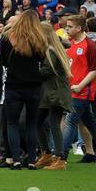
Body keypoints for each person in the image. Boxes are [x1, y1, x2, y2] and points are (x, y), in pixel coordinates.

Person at [0, 10, 48, 169]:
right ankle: (31, 160)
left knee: (12, 124)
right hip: (34, 86)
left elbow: (3, 63)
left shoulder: (8, 38)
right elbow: (42, 60)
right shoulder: (39, 40)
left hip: (14, 85)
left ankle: (15, 159)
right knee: (31, 124)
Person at [60, 14, 96, 164]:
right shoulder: (71, 44)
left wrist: (80, 85)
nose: (66, 29)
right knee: (91, 123)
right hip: (72, 90)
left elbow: (95, 70)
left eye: (69, 27)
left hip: (82, 91)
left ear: (79, 28)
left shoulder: (90, 45)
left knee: (70, 120)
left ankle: (62, 156)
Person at [35, 22, 73, 171]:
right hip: (52, 93)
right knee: (38, 122)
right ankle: (48, 153)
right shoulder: (55, 47)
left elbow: (45, 72)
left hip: (55, 93)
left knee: (53, 124)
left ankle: (60, 158)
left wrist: (31, 69)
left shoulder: (51, 52)